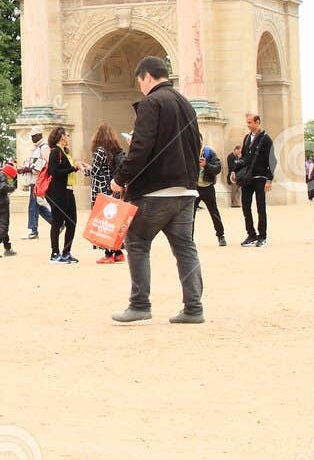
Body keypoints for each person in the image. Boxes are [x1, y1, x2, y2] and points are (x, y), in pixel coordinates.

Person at [110, 56, 205, 324]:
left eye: (139, 81)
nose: (140, 86)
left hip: (155, 190)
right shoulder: (186, 103)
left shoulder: (151, 103)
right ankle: (194, 308)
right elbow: (196, 143)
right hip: (186, 190)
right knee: (185, 249)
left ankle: (140, 304)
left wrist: (120, 178)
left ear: (147, 77)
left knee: (137, 243)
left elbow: (140, 149)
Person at [232, 113, 275, 247]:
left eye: (250, 122)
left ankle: (262, 236)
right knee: (245, 206)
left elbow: (272, 160)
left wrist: (269, 179)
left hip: (260, 177)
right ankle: (251, 234)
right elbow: (243, 159)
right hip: (247, 178)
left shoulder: (266, 139)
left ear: (257, 122)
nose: (248, 125)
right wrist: (234, 170)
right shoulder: (246, 138)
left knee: (260, 208)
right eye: (247, 122)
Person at [86, 124, 127, 262]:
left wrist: (82, 168)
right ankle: (118, 252)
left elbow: (94, 172)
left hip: (100, 188)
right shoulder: (113, 150)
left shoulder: (99, 150)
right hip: (110, 187)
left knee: (102, 222)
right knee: (111, 221)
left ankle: (109, 254)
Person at [44, 126, 79, 263]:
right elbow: (54, 172)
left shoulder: (64, 152)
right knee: (57, 223)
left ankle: (66, 252)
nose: (69, 137)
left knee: (72, 222)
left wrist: (74, 167)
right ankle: (55, 253)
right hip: (58, 192)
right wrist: (73, 168)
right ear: (61, 136)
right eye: (67, 135)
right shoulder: (55, 152)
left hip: (68, 190)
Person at [21, 132, 53, 239]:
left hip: (38, 181)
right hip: (34, 180)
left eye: (34, 136)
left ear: (39, 135)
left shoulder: (44, 148)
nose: (32, 138)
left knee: (33, 206)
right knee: (38, 206)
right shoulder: (37, 148)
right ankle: (56, 223)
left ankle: (33, 230)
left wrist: (30, 169)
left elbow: (46, 164)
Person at [195, 144, 227, 247]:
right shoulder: (190, 151)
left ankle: (221, 236)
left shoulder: (209, 152)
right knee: (190, 215)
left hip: (207, 187)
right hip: (194, 188)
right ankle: (188, 239)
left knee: (214, 213)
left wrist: (206, 165)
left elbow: (217, 168)